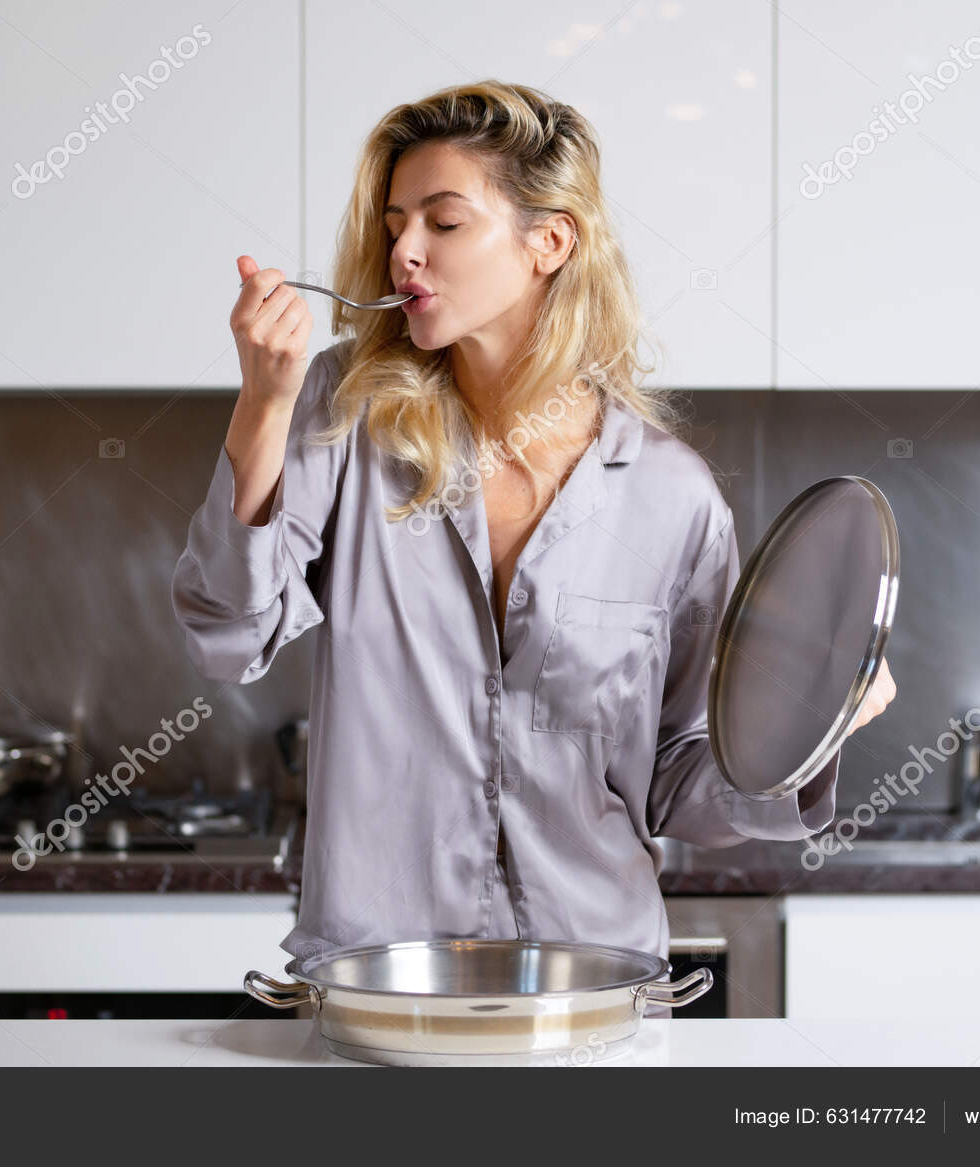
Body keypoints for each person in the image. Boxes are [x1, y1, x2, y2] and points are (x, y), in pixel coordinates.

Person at [172, 81, 896, 977]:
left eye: (443, 222)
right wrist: (262, 406)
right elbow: (225, 633)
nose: (402, 250)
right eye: (395, 222)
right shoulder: (344, 412)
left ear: (550, 241)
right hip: (383, 981)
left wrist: (811, 731)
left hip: (591, 984)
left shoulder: (671, 496)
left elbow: (676, 778)